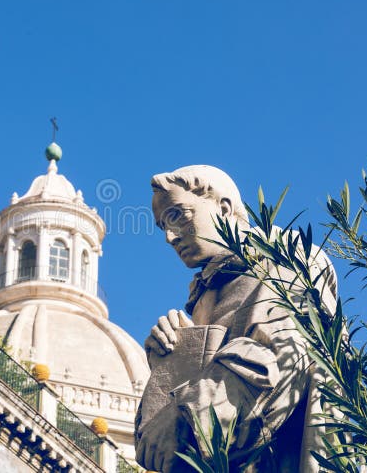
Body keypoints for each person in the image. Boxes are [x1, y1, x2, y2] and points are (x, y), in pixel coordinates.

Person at [135, 165, 336, 473]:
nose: (170, 237)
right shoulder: (213, 289)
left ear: (224, 207)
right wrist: (170, 360)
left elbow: (275, 362)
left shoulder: (283, 261)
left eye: (177, 215)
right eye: (163, 224)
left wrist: (182, 416)